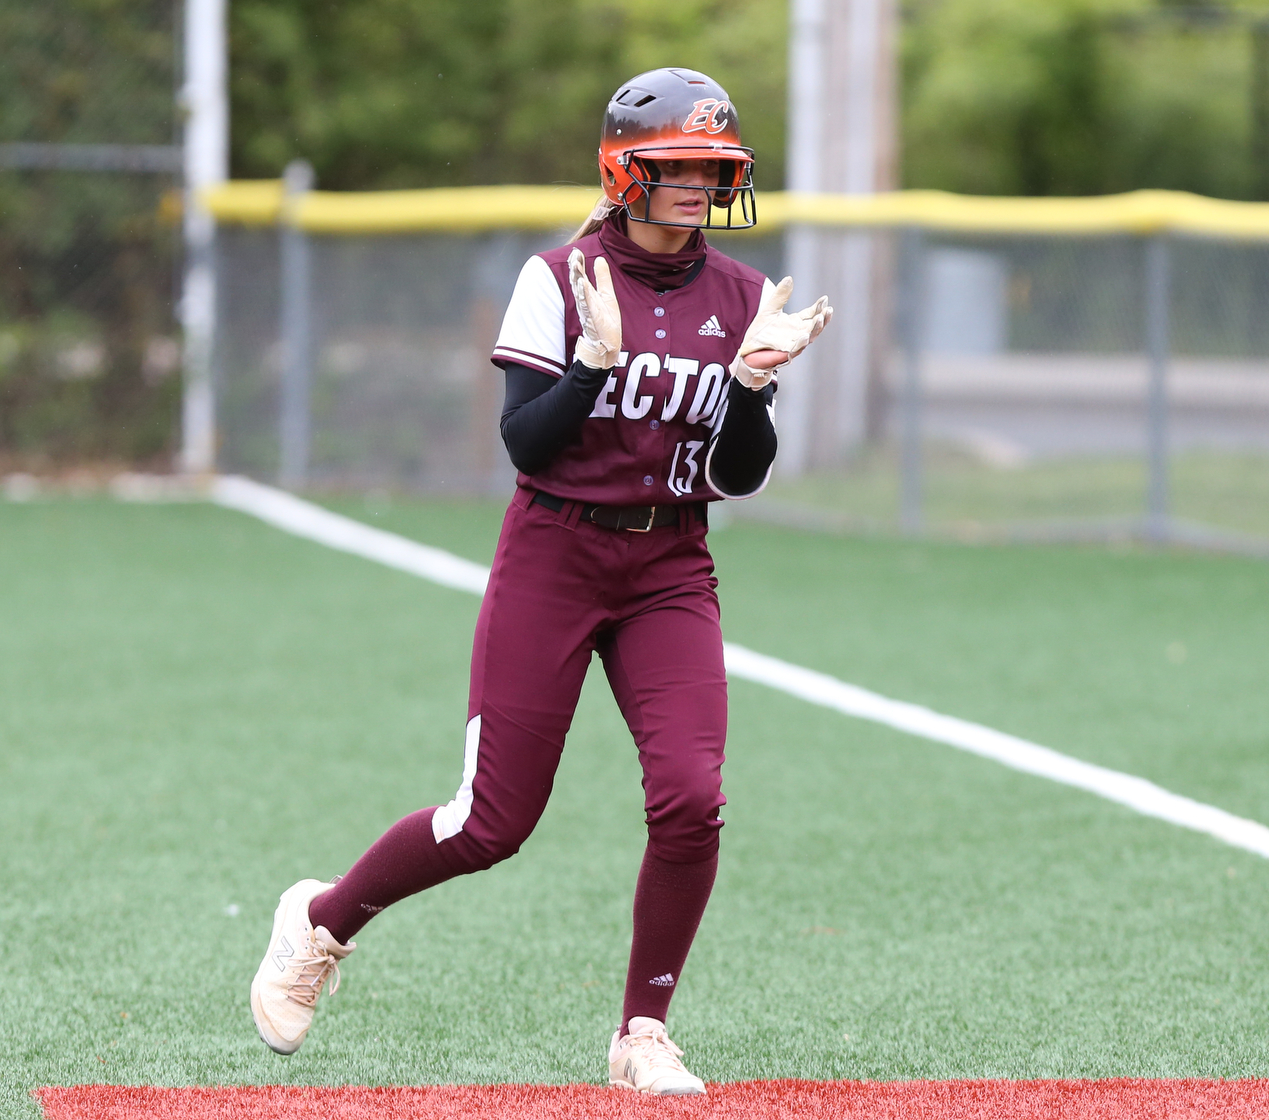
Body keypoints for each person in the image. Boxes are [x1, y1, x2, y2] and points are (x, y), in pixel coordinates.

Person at [249, 66, 833, 1096]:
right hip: (555, 553)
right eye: (677, 165)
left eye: (713, 167)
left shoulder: (745, 296)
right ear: (623, 172)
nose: (699, 184)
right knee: (492, 822)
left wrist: (748, 385)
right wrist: (593, 365)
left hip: (669, 562)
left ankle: (643, 1031)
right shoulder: (558, 277)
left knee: (691, 799)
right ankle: (321, 921)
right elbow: (525, 442)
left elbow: (739, 473)